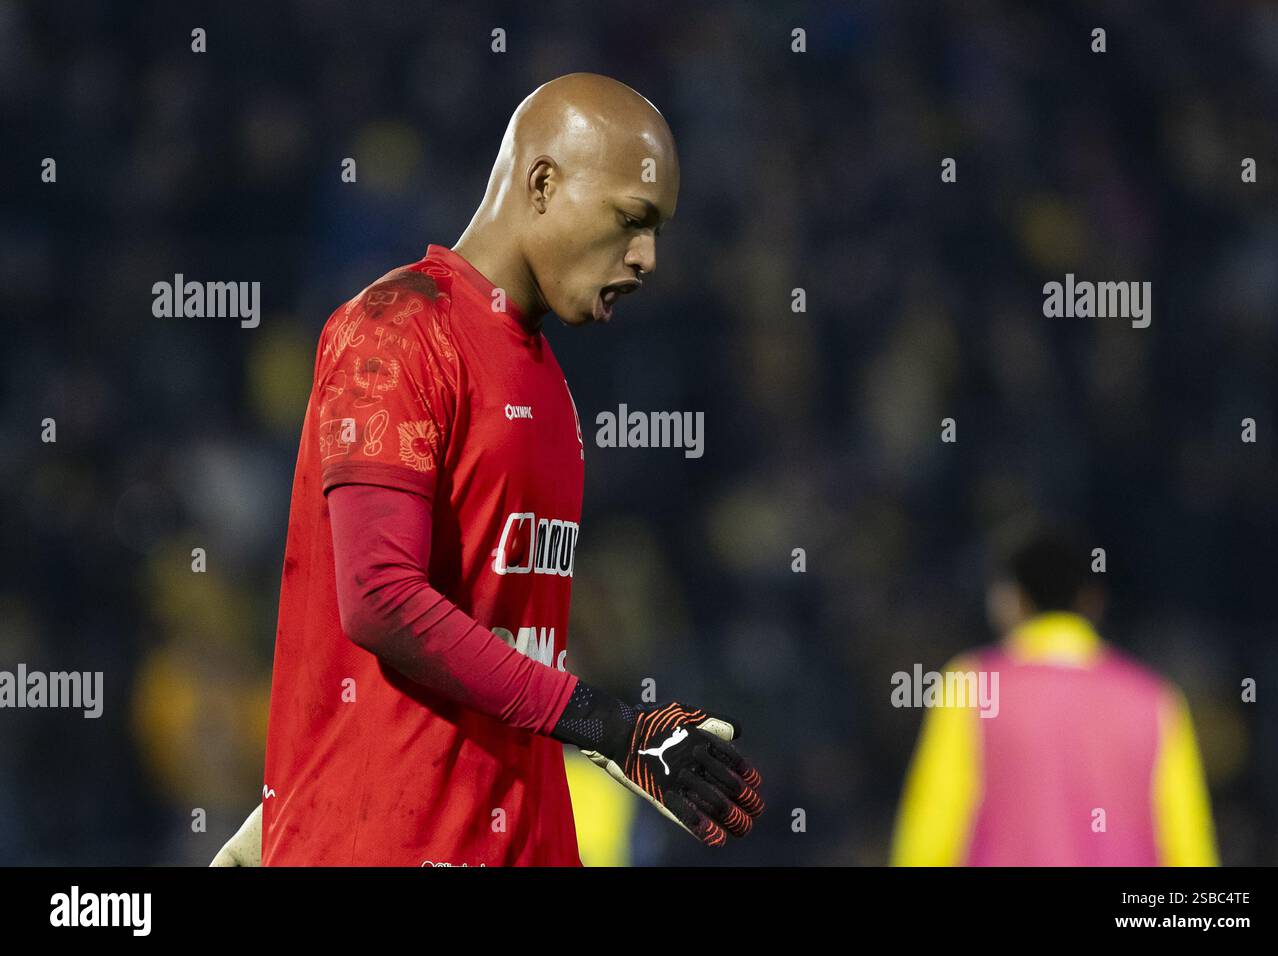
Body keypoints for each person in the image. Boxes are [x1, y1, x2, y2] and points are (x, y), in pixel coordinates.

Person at [213, 73, 763, 867]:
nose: (647, 258)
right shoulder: (398, 330)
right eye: (631, 221)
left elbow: (499, 645)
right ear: (543, 183)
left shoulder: (547, 385)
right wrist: (608, 727)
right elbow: (380, 598)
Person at [891, 526, 1218, 866]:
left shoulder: (972, 686)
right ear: (1092, 601)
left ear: (1009, 600)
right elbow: (1187, 847)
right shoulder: (1154, 699)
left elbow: (933, 831)